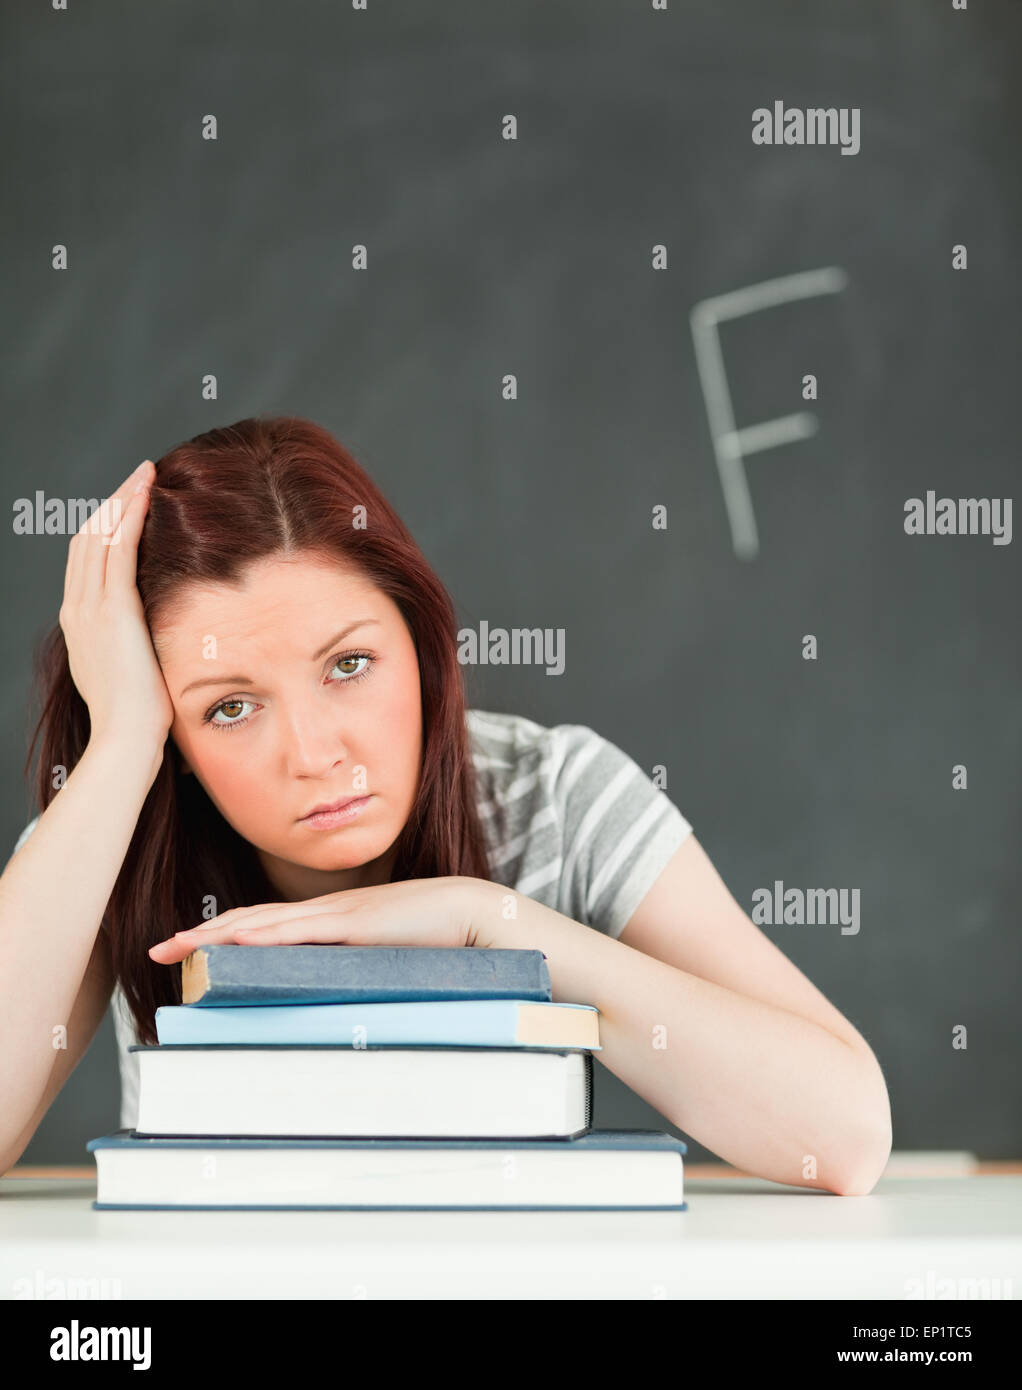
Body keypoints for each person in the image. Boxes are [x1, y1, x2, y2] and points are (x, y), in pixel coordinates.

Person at [0, 416, 891, 1192]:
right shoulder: (109, 827)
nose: (315, 755)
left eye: (349, 665)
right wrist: (118, 748)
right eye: (228, 707)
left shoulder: (558, 795)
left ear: (422, 648)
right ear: (172, 738)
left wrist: (490, 921)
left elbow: (845, 1139)